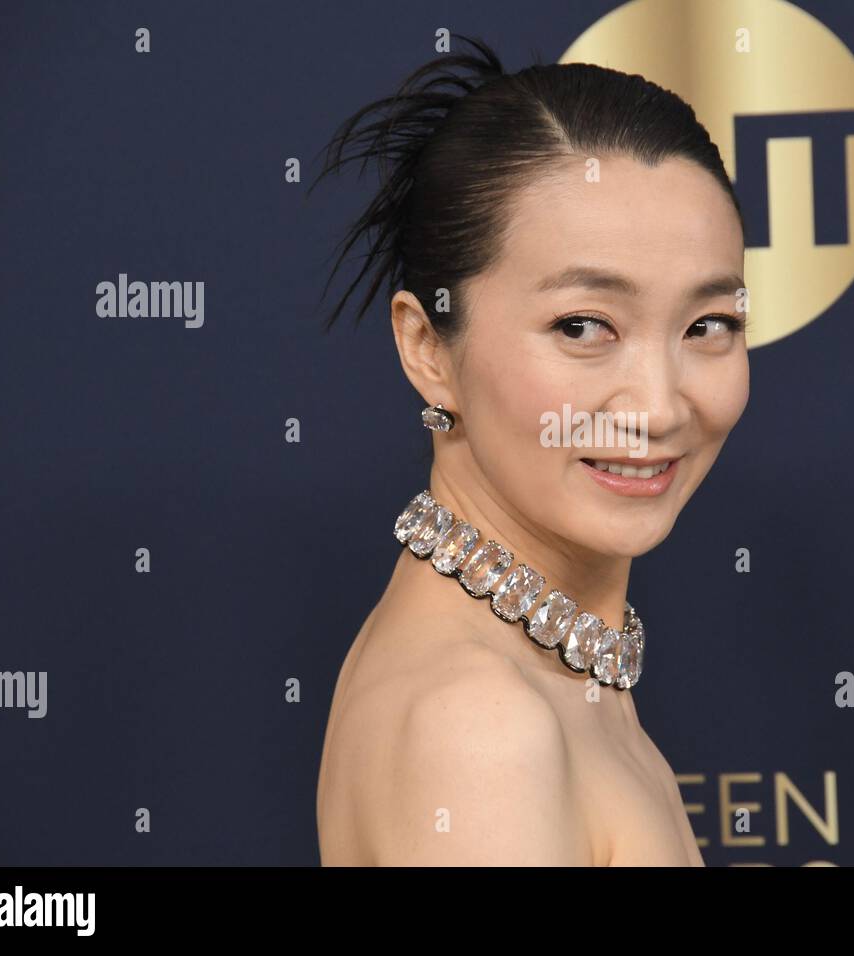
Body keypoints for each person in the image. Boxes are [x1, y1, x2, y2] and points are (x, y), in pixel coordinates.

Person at [311, 34, 750, 865]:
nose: (657, 407)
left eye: (708, 326)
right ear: (427, 348)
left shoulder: (534, 677)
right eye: (583, 326)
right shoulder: (481, 728)